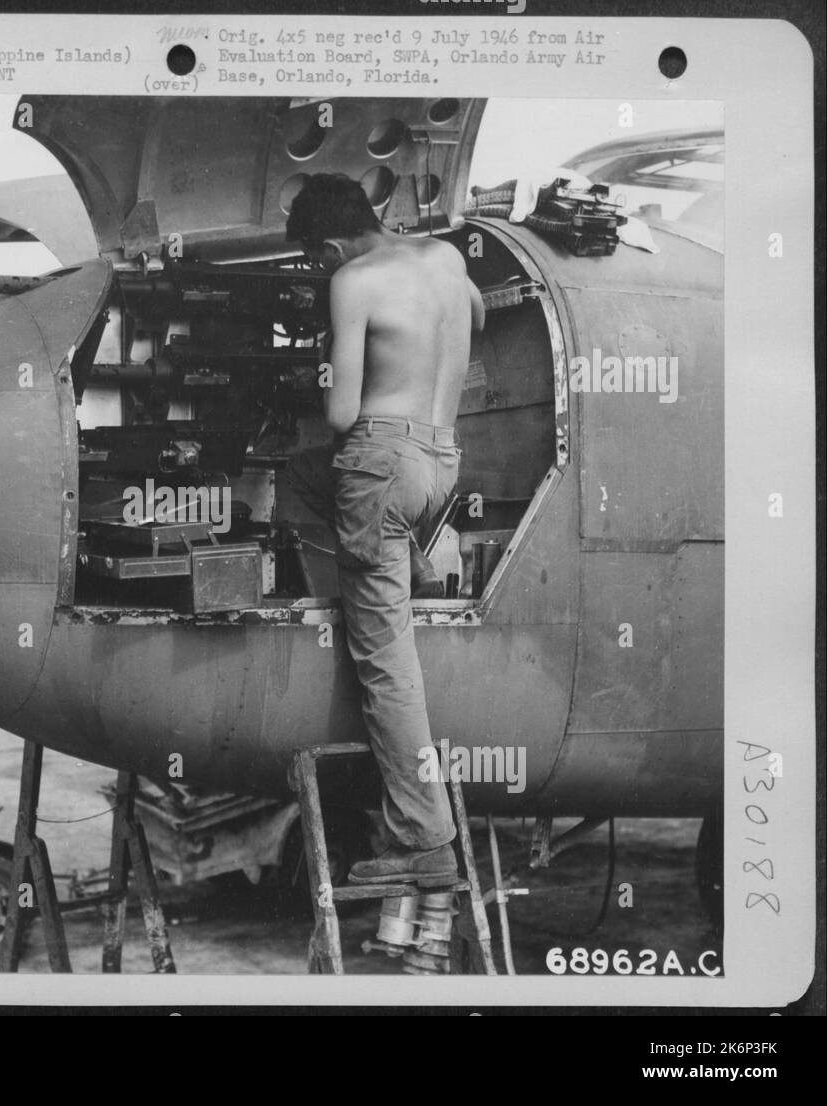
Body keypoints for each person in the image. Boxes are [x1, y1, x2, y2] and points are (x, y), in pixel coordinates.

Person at [284, 174, 485, 885]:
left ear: (333, 243)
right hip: (441, 462)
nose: (322, 268)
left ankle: (422, 838)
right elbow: (478, 314)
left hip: (382, 462)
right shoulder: (448, 262)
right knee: (303, 477)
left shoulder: (355, 279)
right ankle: (407, 563)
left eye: (318, 257)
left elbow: (341, 415)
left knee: (383, 660)